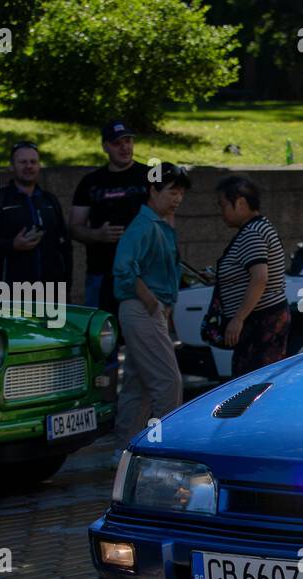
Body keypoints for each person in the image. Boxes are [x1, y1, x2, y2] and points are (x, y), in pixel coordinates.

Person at [111, 162, 191, 454]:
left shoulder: (158, 224)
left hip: (146, 309)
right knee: (167, 382)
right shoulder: (144, 225)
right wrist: (152, 302)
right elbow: (123, 268)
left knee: (138, 384)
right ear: (153, 191)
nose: (177, 198)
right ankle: (163, 449)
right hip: (142, 309)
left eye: (181, 193)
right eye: (171, 192)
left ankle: (124, 449)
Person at [70, 120, 151, 315]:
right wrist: (97, 235)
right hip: (102, 272)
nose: (124, 147)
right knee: (101, 338)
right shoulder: (90, 181)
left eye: (128, 141)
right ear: (105, 146)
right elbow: (74, 227)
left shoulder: (151, 175)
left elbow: (168, 216)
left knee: (145, 338)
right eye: (117, 143)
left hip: (144, 273)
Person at [213, 175, 290, 378]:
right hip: (263, 320)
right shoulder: (258, 228)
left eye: (222, 205)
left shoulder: (252, 233)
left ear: (240, 202)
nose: (221, 212)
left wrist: (238, 319)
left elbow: (259, 278)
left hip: (259, 323)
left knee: (251, 382)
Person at [0, 141, 71, 285]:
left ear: (39, 165)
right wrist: (12, 245)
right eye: (22, 162)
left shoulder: (50, 201)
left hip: (51, 293)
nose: (28, 166)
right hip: (11, 292)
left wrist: (66, 287)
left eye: (33, 162)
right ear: (12, 166)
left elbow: (65, 246)